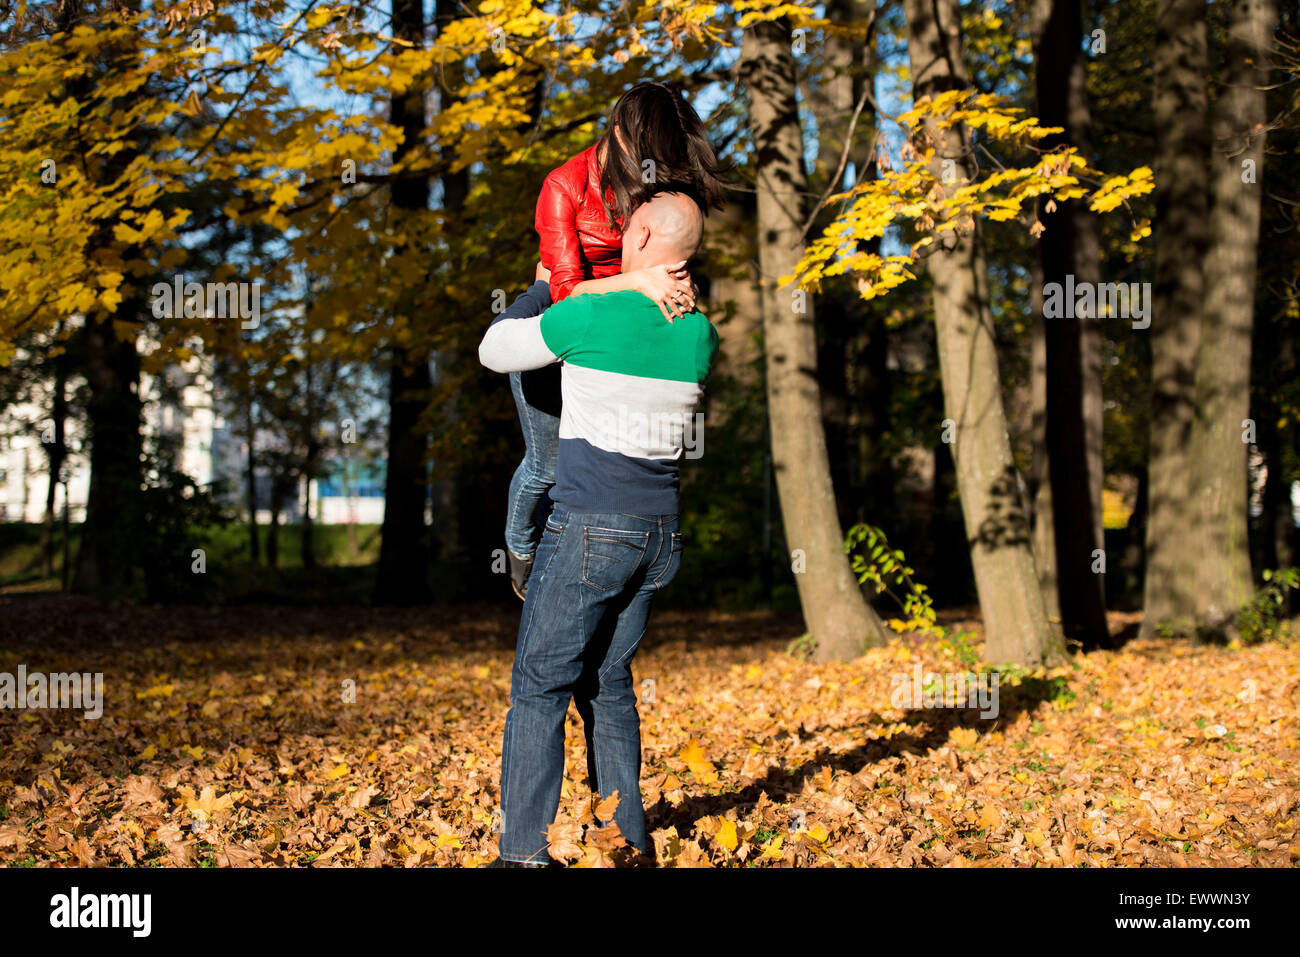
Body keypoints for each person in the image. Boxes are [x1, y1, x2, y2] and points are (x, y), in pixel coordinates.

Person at [479, 192, 718, 867]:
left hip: (590, 526)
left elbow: (496, 349)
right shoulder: (700, 332)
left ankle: (521, 854)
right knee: (608, 683)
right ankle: (627, 843)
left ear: (639, 233)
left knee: (540, 686)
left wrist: (540, 286)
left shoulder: (588, 313)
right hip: (660, 535)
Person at [503, 81, 725, 601]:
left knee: (595, 458)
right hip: (566, 322)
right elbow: (564, 290)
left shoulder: (649, 182)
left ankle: (584, 562)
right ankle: (518, 547)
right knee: (547, 461)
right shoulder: (564, 186)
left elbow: (667, 243)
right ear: (622, 132)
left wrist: (677, 279)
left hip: (615, 332)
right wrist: (637, 282)